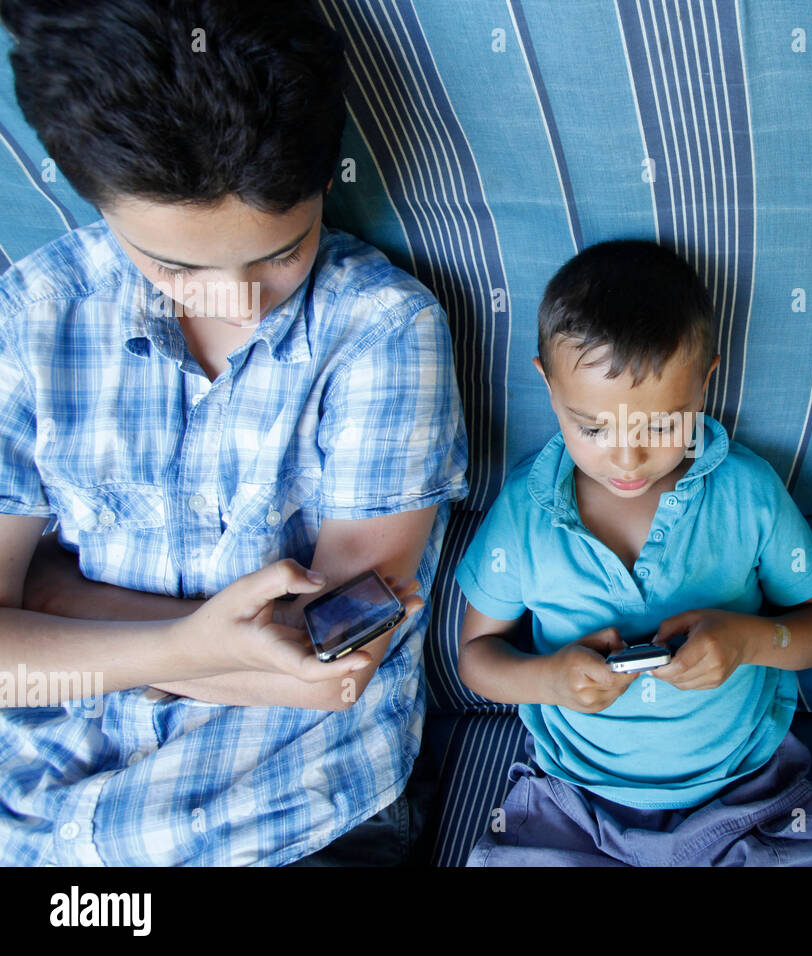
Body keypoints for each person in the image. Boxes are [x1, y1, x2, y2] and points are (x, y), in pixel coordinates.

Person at [0, 0, 467, 865]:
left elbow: (335, 663)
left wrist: (53, 599)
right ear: (88, 195)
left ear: (328, 181)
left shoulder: (380, 329)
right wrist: (192, 644)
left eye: (280, 252)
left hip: (288, 815)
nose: (239, 303)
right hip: (40, 817)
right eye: (176, 264)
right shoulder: (29, 316)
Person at [455, 239, 812, 865]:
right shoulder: (525, 513)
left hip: (743, 794)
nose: (628, 458)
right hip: (574, 801)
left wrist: (747, 641)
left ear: (704, 384)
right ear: (548, 386)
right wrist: (548, 679)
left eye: (662, 426)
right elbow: (475, 658)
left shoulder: (747, 492)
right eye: (592, 427)